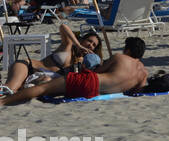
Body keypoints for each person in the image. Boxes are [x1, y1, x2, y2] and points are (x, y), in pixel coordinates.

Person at [2, 37, 148, 104]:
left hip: (91, 82)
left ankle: (3, 102)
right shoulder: (143, 73)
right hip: (96, 93)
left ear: (127, 50)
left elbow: (98, 73)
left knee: (43, 88)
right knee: (48, 87)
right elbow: (138, 91)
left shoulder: (119, 57)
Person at [32, 23, 102, 74]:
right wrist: (78, 45)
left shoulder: (86, 63)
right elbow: (63, 26)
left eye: (94, 45)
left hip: (45, 81)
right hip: (33, 68)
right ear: (82, 40)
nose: (90, 45)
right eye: (89, 41)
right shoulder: (68, 45)